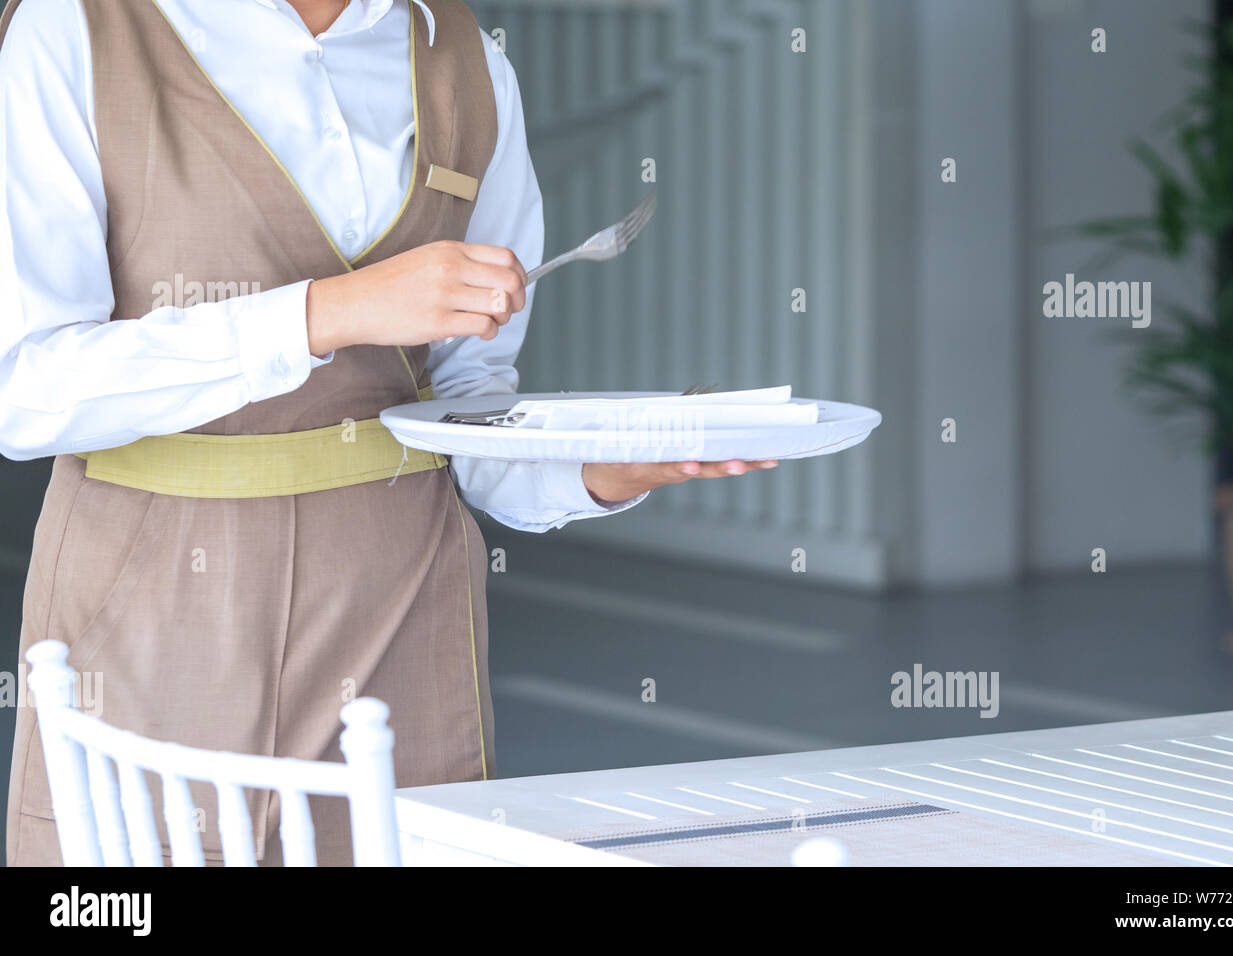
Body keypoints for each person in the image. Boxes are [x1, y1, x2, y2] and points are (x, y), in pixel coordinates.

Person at [0, 0, 775, 865]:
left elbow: (466, 404)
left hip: (402, 618)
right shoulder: (75, 29)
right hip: (146, 615)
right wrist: (328, 312)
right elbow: (24, 386)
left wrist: (611, 468)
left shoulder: (470, 65)